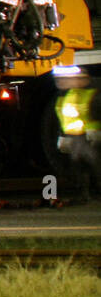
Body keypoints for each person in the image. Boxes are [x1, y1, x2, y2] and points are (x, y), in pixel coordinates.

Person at [53, 65, 99, 203]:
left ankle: (89, 194)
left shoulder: (91, 93)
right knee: (81, 166)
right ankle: (85, 195)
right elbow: (63, 117)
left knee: (93, 164)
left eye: (65, 79)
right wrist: (63, 134)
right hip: (76, 137)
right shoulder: (66, 95)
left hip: (90, 136)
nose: (61, 83)